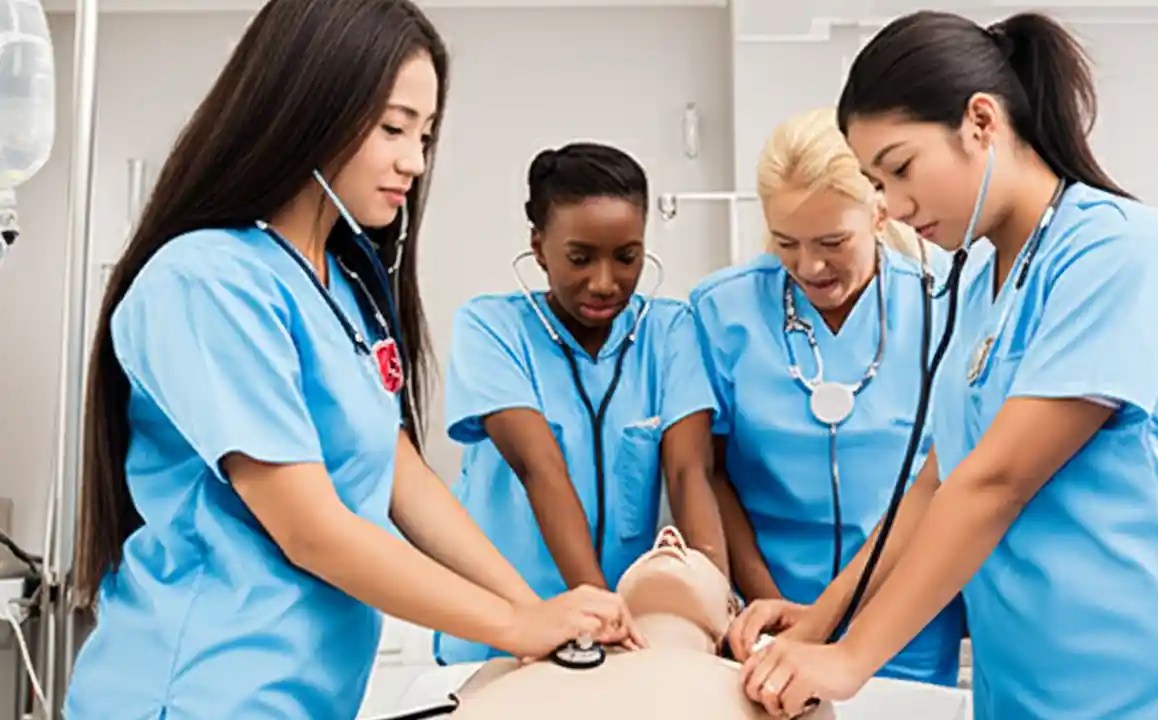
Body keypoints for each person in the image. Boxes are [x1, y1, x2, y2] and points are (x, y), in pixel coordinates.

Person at [64, 2, 637, 718]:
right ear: (309, 105)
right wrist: (514, 626)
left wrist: (538, 612)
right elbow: (312, 530)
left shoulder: (343, 291)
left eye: (424, 134)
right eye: (393, 127)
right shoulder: (205, 281)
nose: (415, 160)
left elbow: (402, 476)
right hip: (198, 692)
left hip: (309, 697)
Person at [737, 11, 1158, 720]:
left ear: (981, 122)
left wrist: (849, 660)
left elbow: (997, 482)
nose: (895, 208)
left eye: (901, 168)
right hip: (1027, 690)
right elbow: (938, 482)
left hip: (1156, 685)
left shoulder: (1122, 254)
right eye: (877, 184)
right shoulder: (977, 282)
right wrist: (821, 620)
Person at [689, 108, 964, 688]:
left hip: (904, 617)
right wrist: (766, 605)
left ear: (879, 207)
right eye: (787, 242)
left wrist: (828, 621)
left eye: (833, 241)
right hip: (761, 621)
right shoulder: (722, 312)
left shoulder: (949, 301)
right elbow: (708, 474)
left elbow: (950, 484)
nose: (810, 265)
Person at [433, 142, 729, 664]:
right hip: (504, 633)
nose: (604, 281)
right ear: (539, 245)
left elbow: (689, 474)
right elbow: (538, 466)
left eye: (627, 256)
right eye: (579, 258)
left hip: (633, 635)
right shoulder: (491, 330)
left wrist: (715, 607)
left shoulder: (669, 330)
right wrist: (599, 615)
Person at [438, 526, 837, 720]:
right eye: (653, 550)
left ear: (732, 615)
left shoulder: (781, 690)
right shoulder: (510, 671)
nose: (668, 536)